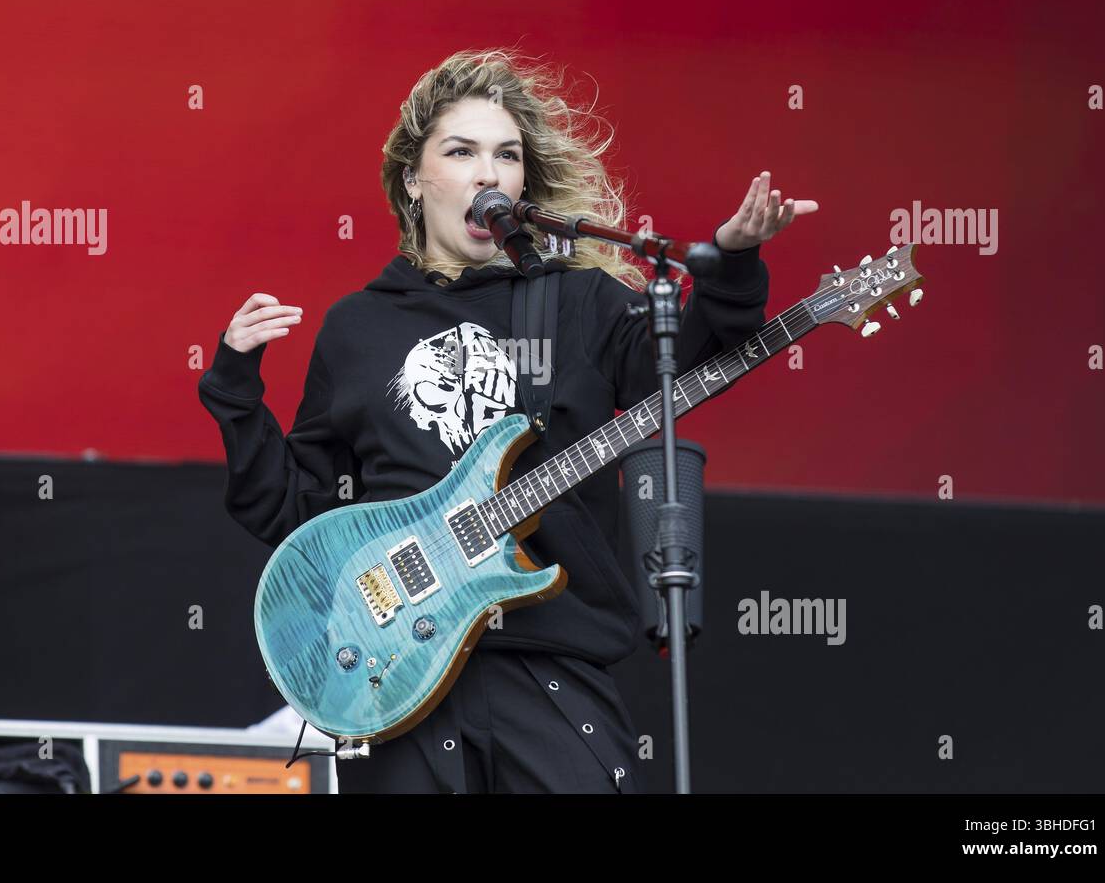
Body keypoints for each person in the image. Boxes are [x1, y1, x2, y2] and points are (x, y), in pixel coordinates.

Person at [197, 48, 817, 793]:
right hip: (404, 681)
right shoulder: (356, 328)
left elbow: (689, 358)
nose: (488, 173)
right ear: (415, 181)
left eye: (507, 155)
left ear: (525, 183)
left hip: (550, 665)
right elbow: (294, 506)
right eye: (461, 152)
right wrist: (235, 384)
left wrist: (737, 261)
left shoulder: (578, 302)